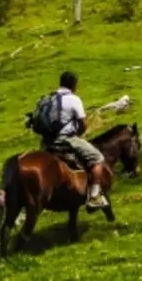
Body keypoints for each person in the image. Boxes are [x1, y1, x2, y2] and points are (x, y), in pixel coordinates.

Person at [38, 71, 109, 209]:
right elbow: (83, 125)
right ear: (74, 85)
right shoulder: (74, 99)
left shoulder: (48, 99)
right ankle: (94, 196)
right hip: (66, 140)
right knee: (97, 158)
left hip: (46, 142)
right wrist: (78, 134)